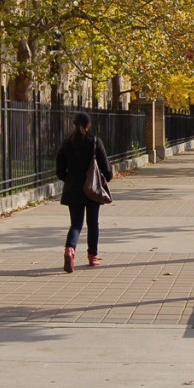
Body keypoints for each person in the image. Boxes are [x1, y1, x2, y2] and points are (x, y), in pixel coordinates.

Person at [56, 112, 113, 272]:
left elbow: (59, 170)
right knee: (93, 223)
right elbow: (106, 168)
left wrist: (70, 179)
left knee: (76, 224)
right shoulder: (94, 142)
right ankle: (92, 256)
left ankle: (70, 249)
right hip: (92, 188)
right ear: (88, 125)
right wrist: (104, 179)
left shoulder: (66, 143)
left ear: (74, 124)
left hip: (73, 189)